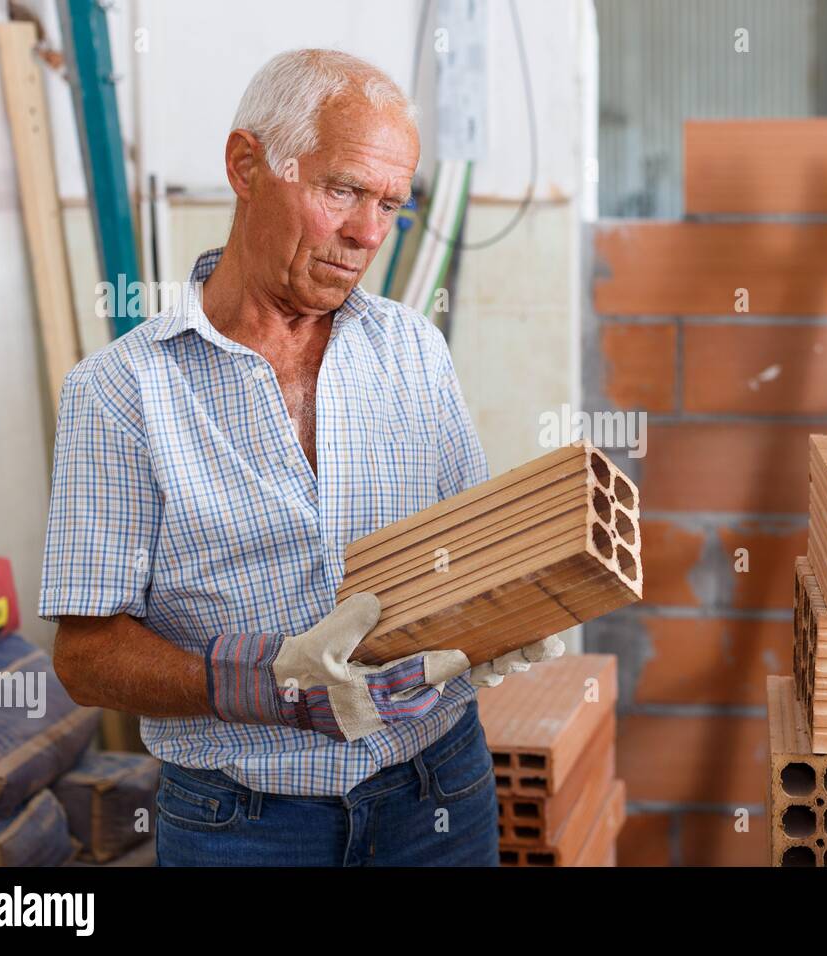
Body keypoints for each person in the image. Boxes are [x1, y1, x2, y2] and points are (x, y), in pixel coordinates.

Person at [39, 49, 562, 866]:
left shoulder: (414, 351)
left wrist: (511, 611)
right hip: (244, 825)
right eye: (343, 190)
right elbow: (86, 655)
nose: (366, 234)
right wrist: (270, 680)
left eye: (391, 204)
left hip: (438, 791)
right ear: (247, 165)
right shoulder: (120, 391)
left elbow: (463, 554)